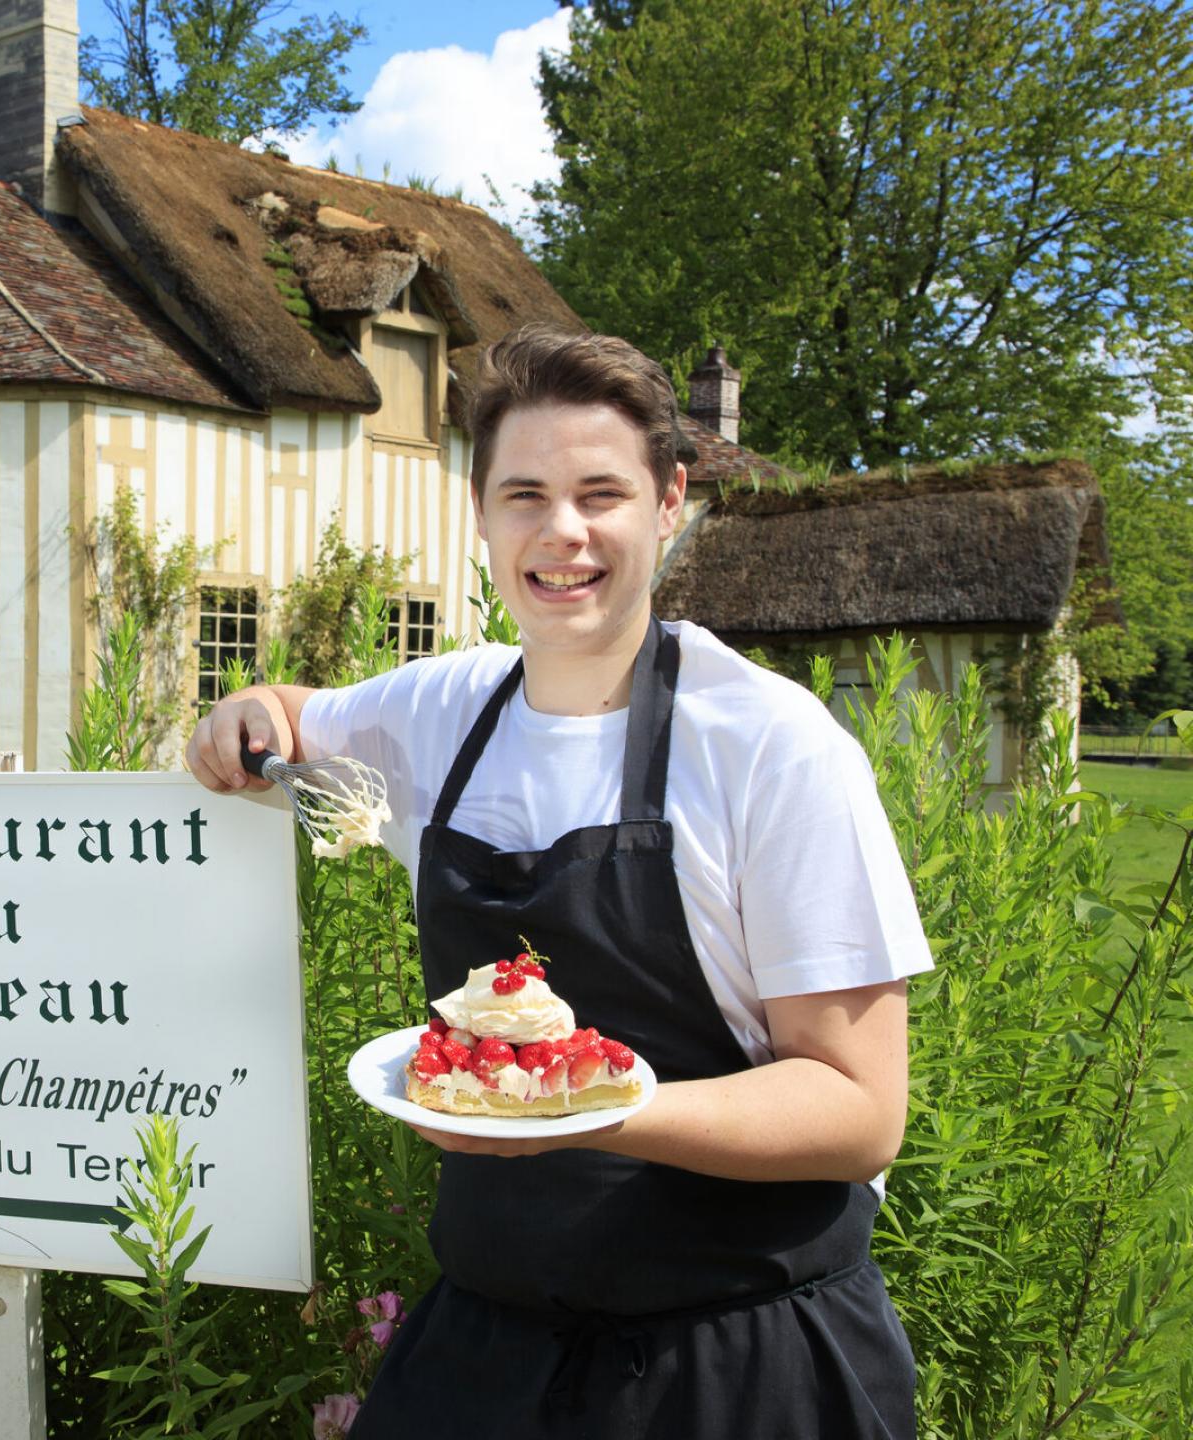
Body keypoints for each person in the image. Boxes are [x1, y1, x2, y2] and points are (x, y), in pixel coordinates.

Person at [183, 328, 930, 1438]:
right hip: (492, 1352)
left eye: (602, 493)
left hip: (740, 1359)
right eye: (524, 494)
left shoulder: (773, 745)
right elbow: (295, 715)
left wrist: (576, 1113)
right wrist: (247, 713)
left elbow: (859, 1110)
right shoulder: (446, 710)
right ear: (480, 512)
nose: (562, 532)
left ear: (671, 502)